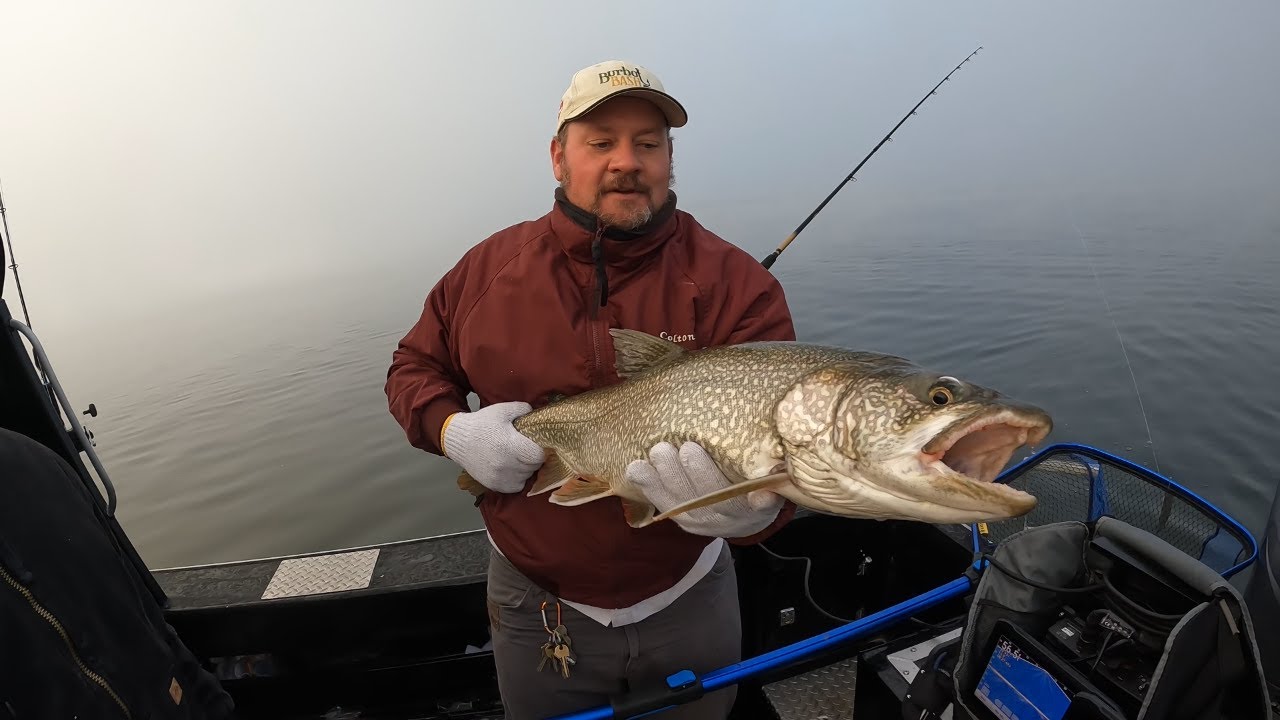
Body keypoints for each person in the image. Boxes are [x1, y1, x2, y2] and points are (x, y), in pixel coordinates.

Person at [385, 59, 797, 719]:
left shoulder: (736, 284)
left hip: (689, 594)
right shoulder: (486, 272)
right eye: (601, 142)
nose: (626, 161)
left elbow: (789, 441)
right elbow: (412, 366)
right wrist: (451, 430)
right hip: (537, 603)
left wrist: (755, 515)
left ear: (669, 158)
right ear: (558, 157)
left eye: (649, 143)